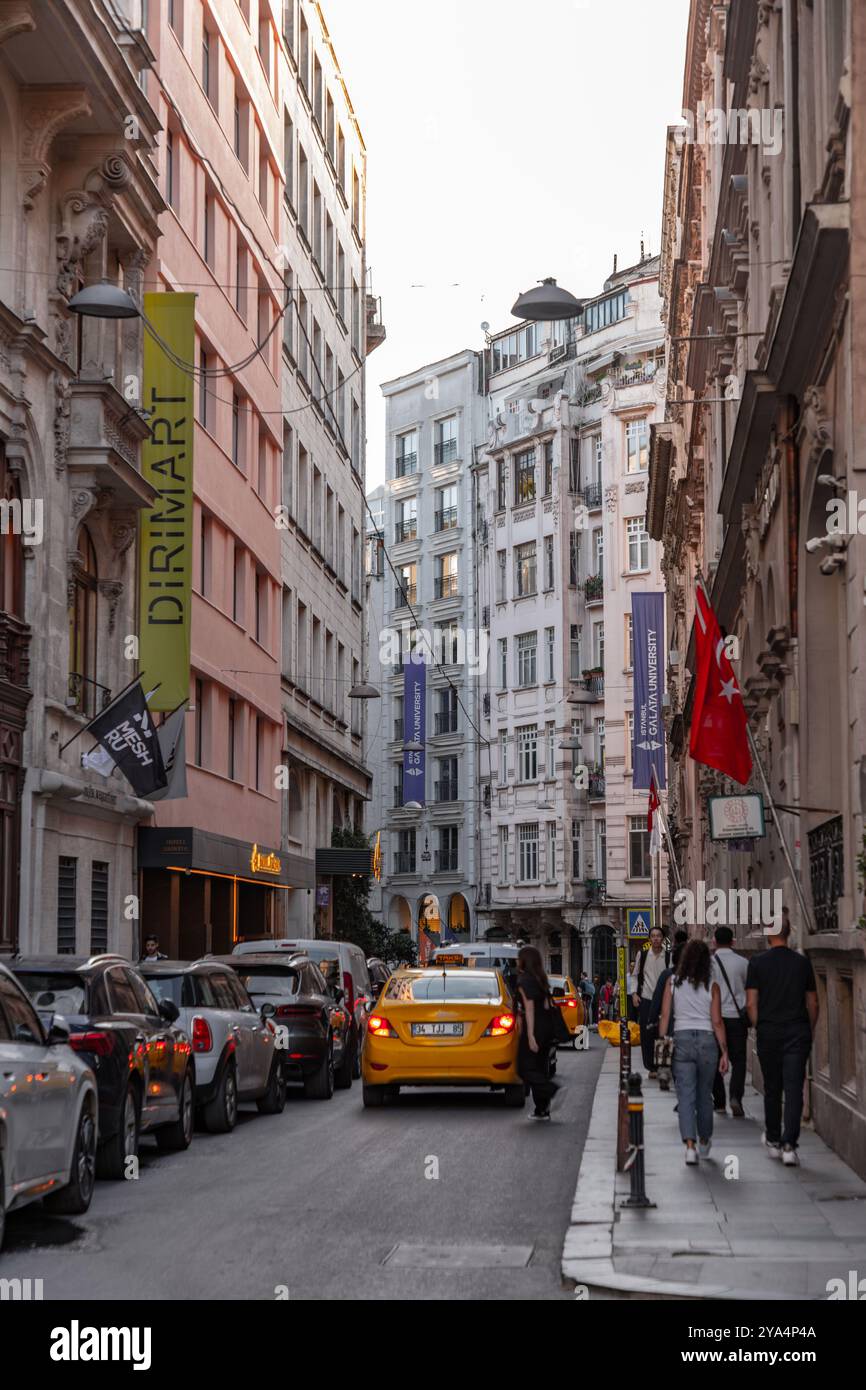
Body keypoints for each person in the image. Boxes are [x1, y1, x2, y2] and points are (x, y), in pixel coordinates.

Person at [746, 909, 818, 1166]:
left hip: (769, 1031)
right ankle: (790, 1144)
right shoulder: (802, 962)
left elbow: (751, 1003)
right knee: (794, 1087)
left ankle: (774, 1139)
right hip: (797, 1031)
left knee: (773, 1088)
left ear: (768, 934)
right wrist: (807, 1029)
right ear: (789, 933)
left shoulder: (757, 963)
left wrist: (759, 1026)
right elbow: (812, 1002)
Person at [660, 938, 728, 1164]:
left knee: (685, 1095)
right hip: (707, 1041)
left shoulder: (673, 982)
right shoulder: (713, 986)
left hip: (682, 1040)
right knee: (704, 1095)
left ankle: (689, 1146)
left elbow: (666, 1015)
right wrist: (724, 1052)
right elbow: (717, 1021)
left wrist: (662, 1041)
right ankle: (705, 1139)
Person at [514, 945, 560, 1120]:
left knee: (524, 1068)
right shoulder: (540, 979)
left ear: (525, 960)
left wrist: (531, 1036)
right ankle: (542, 1109)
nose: (518, 961)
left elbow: (529, 1008)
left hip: (533, 1029)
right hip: (546, 1028)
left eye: (519, 958)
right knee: (540, 1068)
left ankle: (552, 1090)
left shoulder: (524, 980)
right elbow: (547, 1005)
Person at [710, 926, 750, 1117]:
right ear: (733, 941)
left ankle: (719, 1101)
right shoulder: (743, 963)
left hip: (716, 1018)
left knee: (715, 1059)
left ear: (714, 942)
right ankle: (735, 1096)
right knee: (739, 1060)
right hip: (736, 1017)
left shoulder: (709, 964)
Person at [632, 926, 671, 1076]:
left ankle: (663, 1066)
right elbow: (635, 975)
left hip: (664, 1000)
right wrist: (635, 993)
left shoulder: (668, 956)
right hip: (647, 998)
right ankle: (651, 1067)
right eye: (653, 936)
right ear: (649, 939)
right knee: (647, 1034)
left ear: (662, 938)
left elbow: (672, 978)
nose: (655, 938)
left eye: (658, 936)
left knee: (664, 1033)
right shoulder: (642, 955)